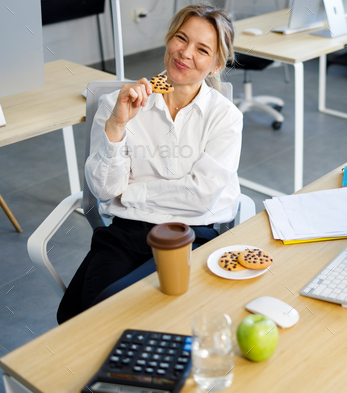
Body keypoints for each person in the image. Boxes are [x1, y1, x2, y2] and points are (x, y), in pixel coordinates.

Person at [57, 2, 242, 324]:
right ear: (170, 39)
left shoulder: (225, 117)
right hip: (126, 233)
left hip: (191, 235)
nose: (185, 53)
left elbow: (201, 195)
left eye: (202, 49)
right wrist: (117, 124)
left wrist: (129, 194)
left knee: (129, 313)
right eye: (181, 39)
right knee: (79, 318)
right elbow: (104, 189)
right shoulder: (118, 105)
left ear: (215, 65)